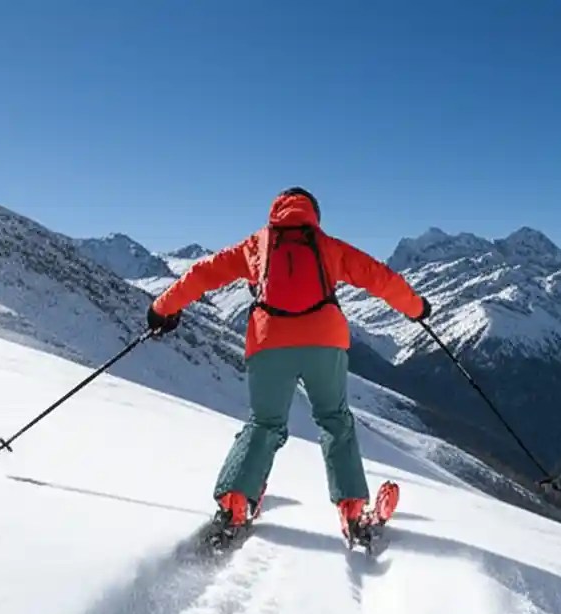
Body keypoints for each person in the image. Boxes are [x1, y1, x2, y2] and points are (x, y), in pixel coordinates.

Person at [146, 187, 431, 542]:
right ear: (314, 215)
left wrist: (162, 309)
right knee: (334, 420)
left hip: (269, 341)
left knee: (264, 423)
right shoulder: (328, 246)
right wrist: (416, 308)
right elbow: (378, 276)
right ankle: (352, 511)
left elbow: (205, 273)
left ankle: (235, 504)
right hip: (324, 342)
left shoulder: (257, 244)